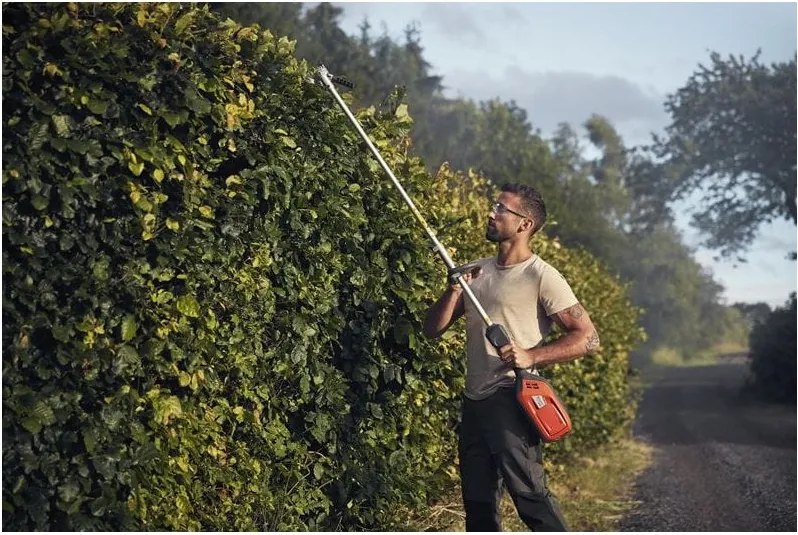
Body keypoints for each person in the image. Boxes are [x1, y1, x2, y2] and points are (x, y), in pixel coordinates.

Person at [423, 183, 600, 531]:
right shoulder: (476, 272)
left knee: (529, 496)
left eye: (502, 208)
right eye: (494, 205)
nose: (491, 212)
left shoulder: (542, 276)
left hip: (512, 399)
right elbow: (433, 329)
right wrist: (453, 289)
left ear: (525, 224)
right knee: (477, 503)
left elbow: (588, 338)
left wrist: (531, 354)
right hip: (474, 399)